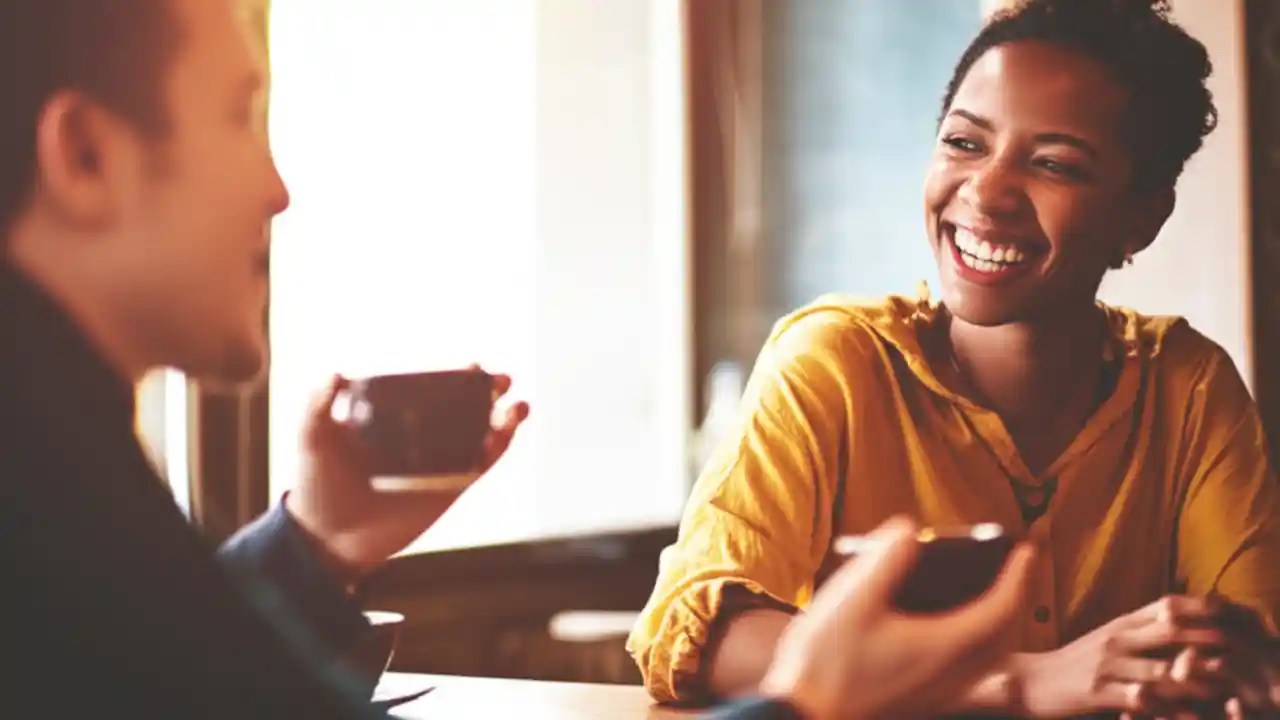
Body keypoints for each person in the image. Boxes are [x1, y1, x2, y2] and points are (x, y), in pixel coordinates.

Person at [0, 1, 1039, 719]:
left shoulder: (63, 467)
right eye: (237, 116)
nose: (276, 190)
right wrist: (809, 704)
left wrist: (313, 548)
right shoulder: (47, 500)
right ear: (85, 157)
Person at [627, 0, 1280, 717]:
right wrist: (1026, 682)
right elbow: (696, 631)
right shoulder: (835, 360)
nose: (987, 193)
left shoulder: (1187, 385)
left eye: (1055, 163)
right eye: (965, 144)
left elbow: (1246, 652)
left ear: (1142, 218)